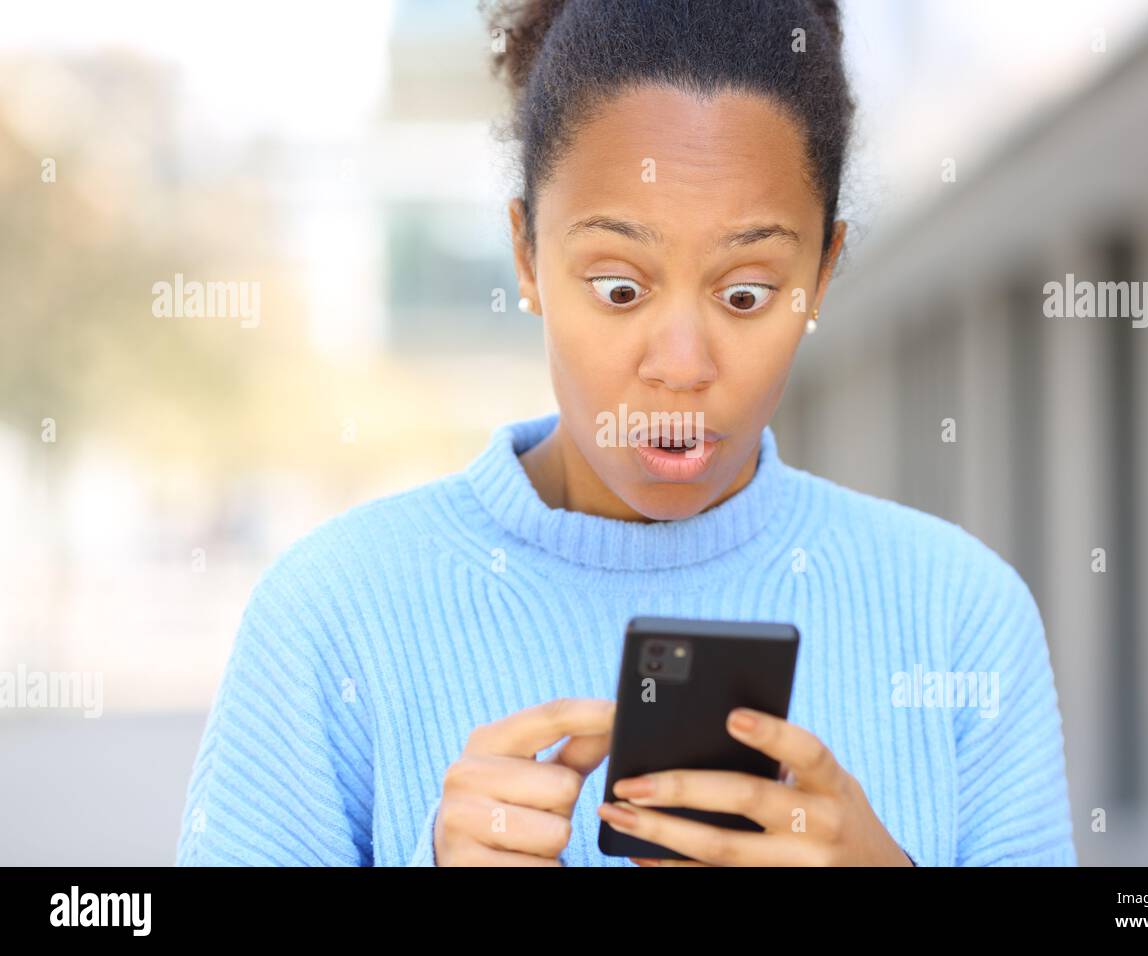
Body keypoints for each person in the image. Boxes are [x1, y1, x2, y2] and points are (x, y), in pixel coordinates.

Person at [175, 0, 1077, 867]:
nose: (680, 363)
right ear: (527, 256)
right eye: (618, 287)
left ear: (824, 272)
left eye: (746, 294)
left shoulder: (960, 616)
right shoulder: (331, 613)